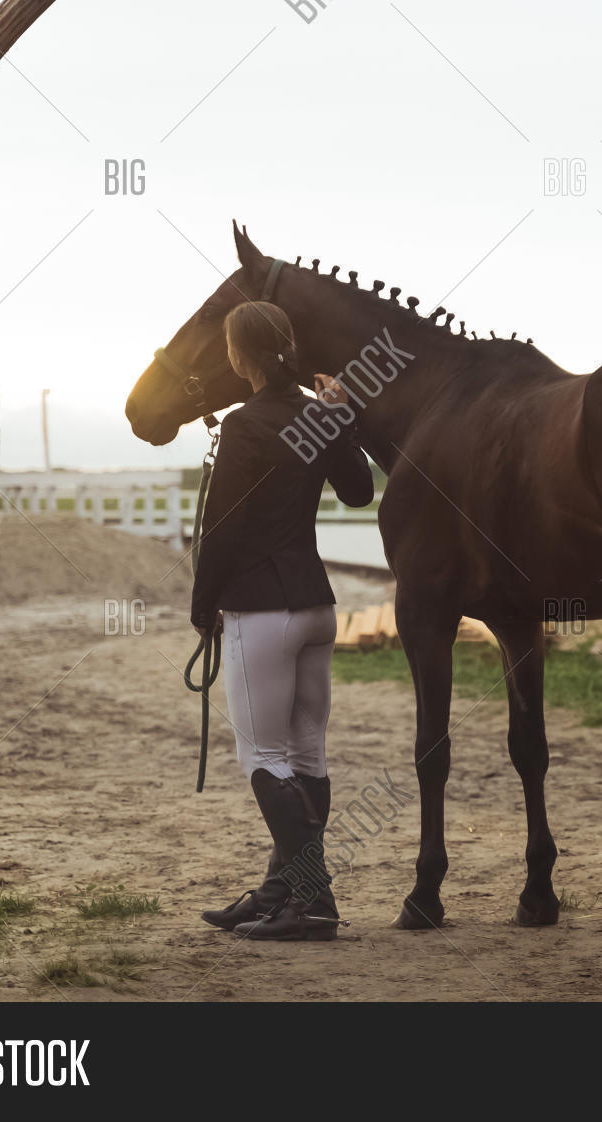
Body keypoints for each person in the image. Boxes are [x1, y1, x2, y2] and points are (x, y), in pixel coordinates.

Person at [192, 300, 374, 941]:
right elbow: (359, 492)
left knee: (263, 756)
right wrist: (342, 418)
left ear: (239, 357)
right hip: (317, 606)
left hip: (260, 610)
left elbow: (221, 526)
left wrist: (201, 604)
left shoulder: (242, 425)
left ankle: (313, 899)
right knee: (306, 754)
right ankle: (279, 891)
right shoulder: (320, 417)